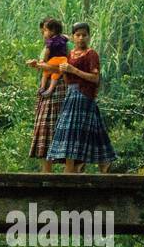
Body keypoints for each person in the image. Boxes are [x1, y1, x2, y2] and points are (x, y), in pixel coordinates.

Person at [44, 22, 115, 173]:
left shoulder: (91, 54)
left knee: (76, 132)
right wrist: (39, 65)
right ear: (72, 37)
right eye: (78, 35)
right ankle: (90, 165)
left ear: (89, 37)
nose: (81, 38)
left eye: (84, 35)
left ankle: (74, 168)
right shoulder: (71, 55)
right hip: (71, 96)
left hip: (83, 96)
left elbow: (95, 79)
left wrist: (73, 70)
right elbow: (60, 70)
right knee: (78, 131)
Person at [26, 18, 69, 172]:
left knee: (56, 126)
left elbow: (61, 68)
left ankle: (68, 171)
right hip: (52, 90)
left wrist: (38, 64)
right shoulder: (63, 41)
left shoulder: (57, 45)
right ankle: (47, 171)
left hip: (60, 90)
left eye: (44, 30)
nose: (43, 34)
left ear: (51, 31)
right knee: (46, 128)